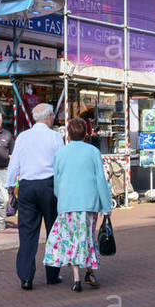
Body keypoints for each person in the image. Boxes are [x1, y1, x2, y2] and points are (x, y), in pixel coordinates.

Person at [44, 117, 113, 291]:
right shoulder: (93, 152)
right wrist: (106, 206)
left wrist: (61, 198)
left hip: (67, 204)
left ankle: (76, 278)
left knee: (71, 240)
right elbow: (100, 181)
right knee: (87, 237)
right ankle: (89, 271)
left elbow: (57, 181)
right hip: (88, 203)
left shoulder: (60, 154)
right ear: (85, 134)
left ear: (68, 133)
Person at [6, 102, 65, 289]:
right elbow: (61, 165)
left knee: (27, 233)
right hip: (49, 185)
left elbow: (14, 164)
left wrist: (10, 188)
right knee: (53, 230)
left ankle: (25, 277)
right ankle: (52, 273)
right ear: (48, 117)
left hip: (27, 186)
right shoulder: (56, 137)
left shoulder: (23, 137)